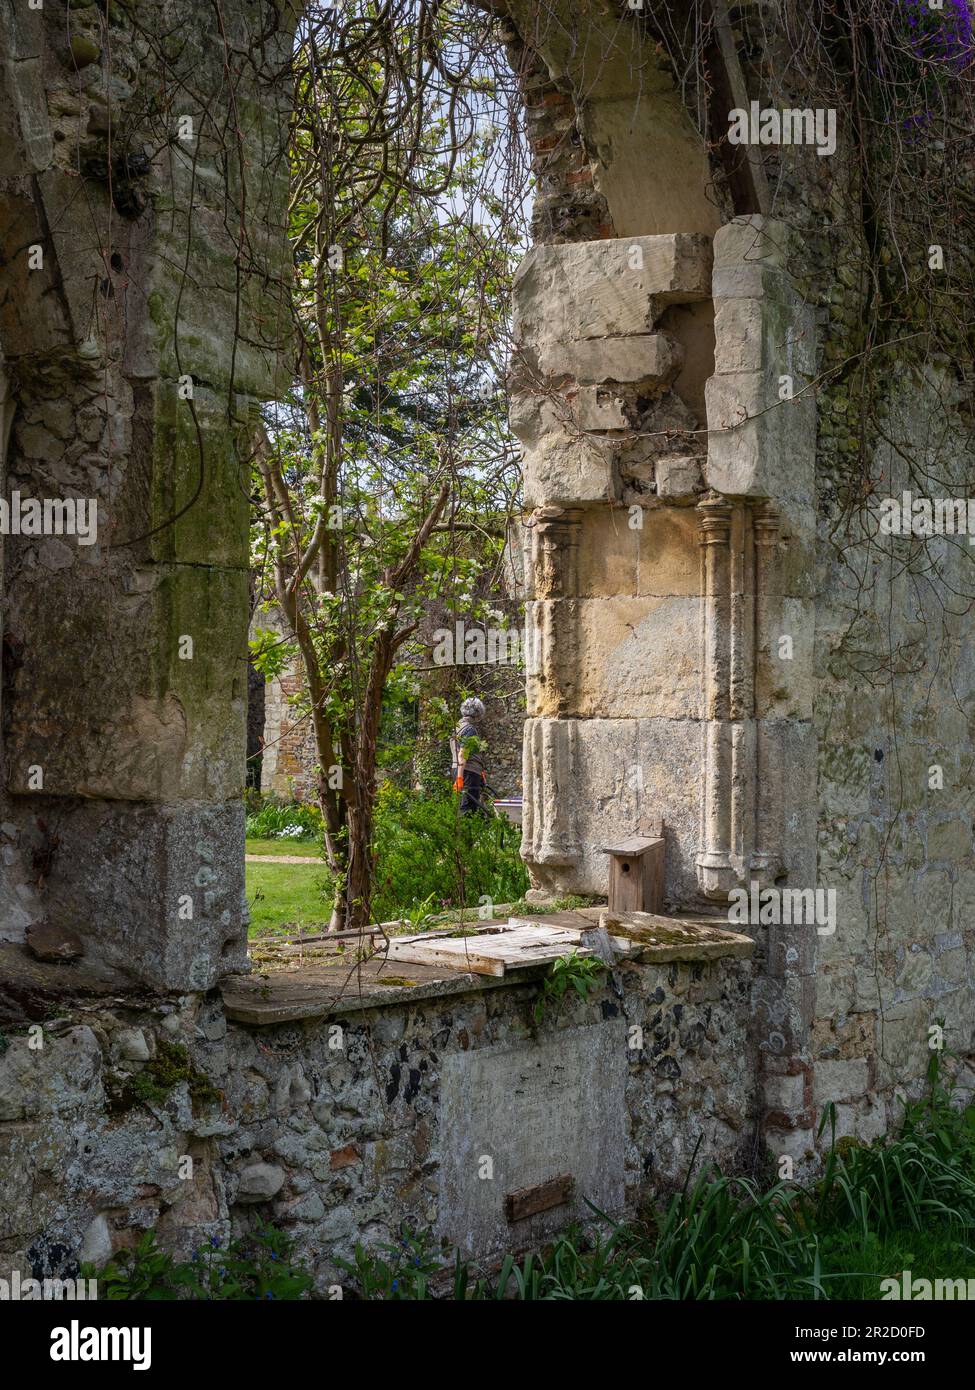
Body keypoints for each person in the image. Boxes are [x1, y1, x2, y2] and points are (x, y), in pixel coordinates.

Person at [450, 697, 487, 815]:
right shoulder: (469, 729)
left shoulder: (456, 727)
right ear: (478, 713)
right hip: (467, 773)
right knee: (467, 810)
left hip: (458, 769)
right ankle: (466, 833)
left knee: (461, 806)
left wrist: (480, 771)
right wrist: (460, 778)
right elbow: (462, 754)